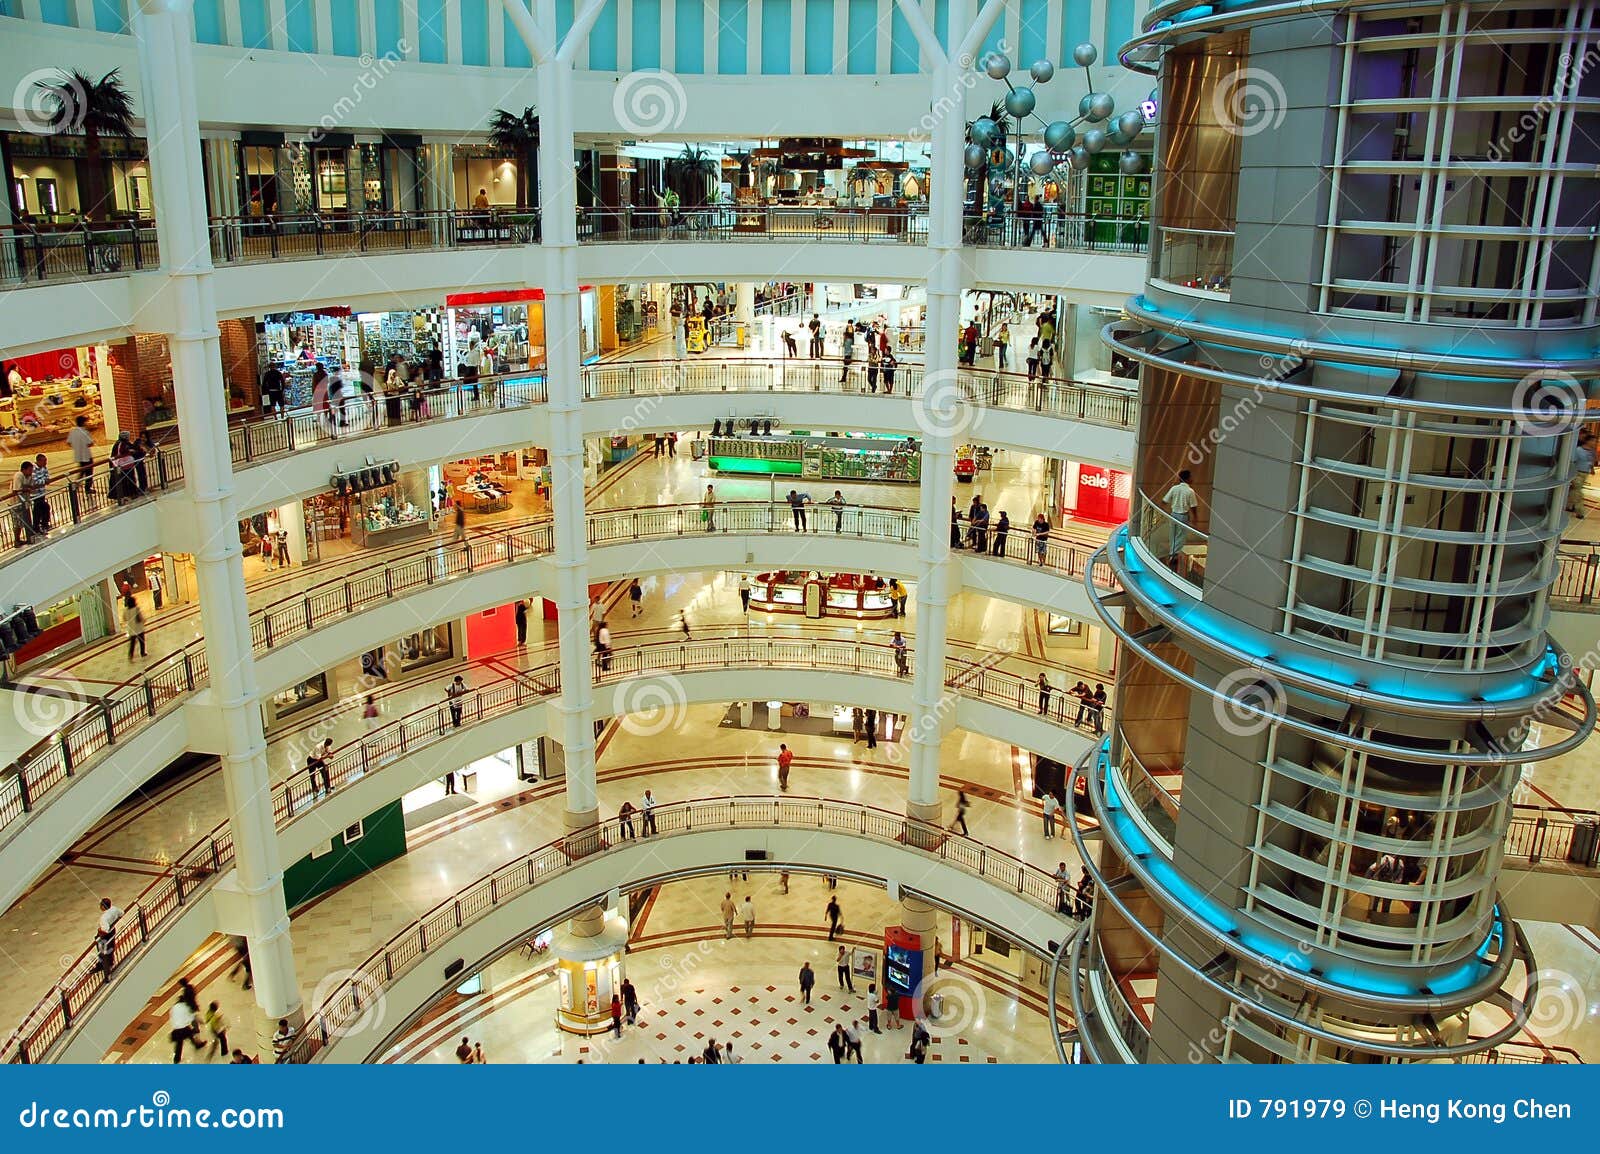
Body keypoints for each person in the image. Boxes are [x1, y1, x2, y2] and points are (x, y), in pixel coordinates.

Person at [1161, 469, 1199, 562]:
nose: (1192, 479)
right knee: (1180, 536)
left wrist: (1163, 511)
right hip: (1183, 516)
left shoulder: (1174, 488)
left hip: (1173, 514)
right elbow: (1193, 506)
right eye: (1191, 477)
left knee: (1172, 535)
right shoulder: (1190, 491)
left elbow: (1164, 500)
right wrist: (1195, 517)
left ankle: (1172, 553)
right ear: (1187, 478)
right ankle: (1174, 555)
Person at [9, 460, 36, 547]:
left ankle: (28, 537)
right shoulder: (18, 475)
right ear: (23, 470)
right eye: (30, 470)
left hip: (25, 503)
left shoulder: (29, 476)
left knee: (24, 521)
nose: (31, 472)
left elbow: (31, 486)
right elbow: (16, 490)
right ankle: (16, 540)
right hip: (16, 503)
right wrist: (26, 488)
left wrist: (26, 488)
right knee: (17, 523)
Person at [67, 415, 95, 497]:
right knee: (89, 473)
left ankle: (76, 485)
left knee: (82, 471)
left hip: (78, 455)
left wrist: (76, 446)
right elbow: (90, 443)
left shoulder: (72, 432)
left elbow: (68, 442)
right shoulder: (85, 432)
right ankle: (87, 488)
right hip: (86, 455)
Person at [169, 997, 203, 1063]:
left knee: (181, 1042)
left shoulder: (174, 1007)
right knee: (186, 1038)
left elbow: (172, 1017)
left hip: (176, 1028)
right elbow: (190, 1018)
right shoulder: (185, 1008)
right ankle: (197, 1045)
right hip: (183, 1028)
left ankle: (177, 1059)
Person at [124, 594, 147, 660]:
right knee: (142, 641)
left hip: (131, 629)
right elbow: (141, 617)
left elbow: (124, 618)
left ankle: (130, 655)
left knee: (132, 643)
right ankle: (142, 653)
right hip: (139, 628)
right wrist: (144, 621)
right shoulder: (137, 609)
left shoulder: (126, 610)